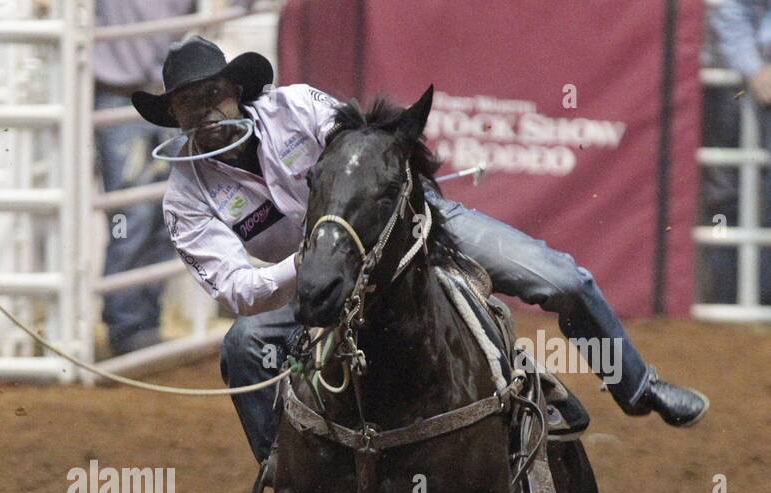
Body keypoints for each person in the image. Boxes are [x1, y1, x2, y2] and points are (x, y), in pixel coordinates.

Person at [131, 36, 710, 467]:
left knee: (562, 279)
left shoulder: (298, 108)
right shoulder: (188, 196)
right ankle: (285, 482)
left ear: (236, 92)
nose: (205, 115)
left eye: (212, 96)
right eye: (188, 107)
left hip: (412, 231)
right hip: (320, 284)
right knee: (243, 345)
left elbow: (374, 148)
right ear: (175, 118)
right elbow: (234, 288)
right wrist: (307, 269)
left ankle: (635, 384)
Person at [93, 0, 196, 356]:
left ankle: (143, 322)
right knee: (130, 213)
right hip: (120, 91)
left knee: (170, 211)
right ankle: (126, 324)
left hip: (166, 92)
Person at [709, 0, 771, 302]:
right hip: (734, 78)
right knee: (726, 194)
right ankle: (726, 296)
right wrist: (754, 69)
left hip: (740, 71)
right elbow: (731, 9)